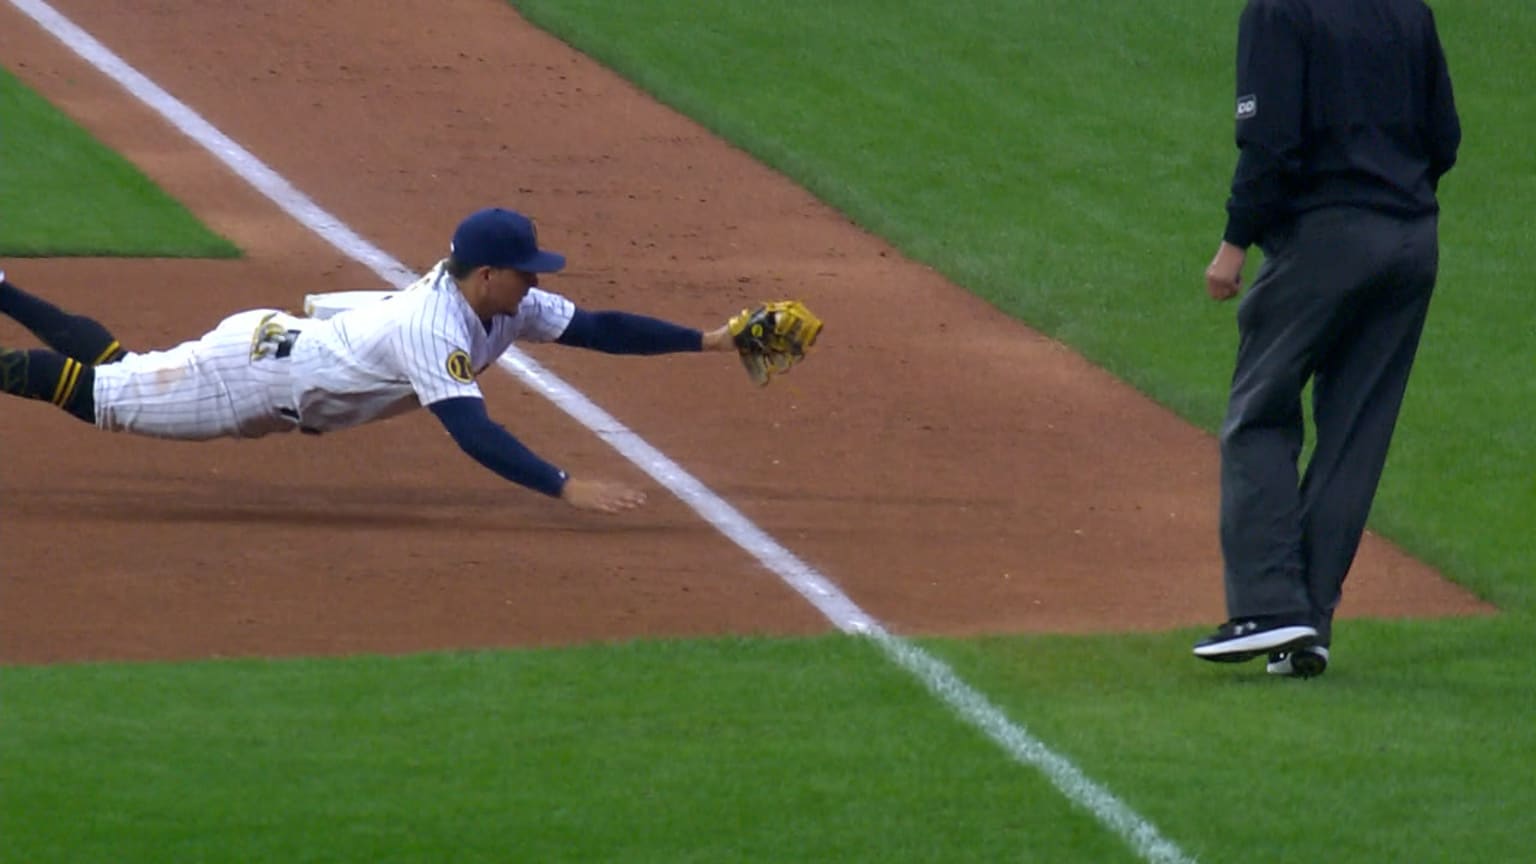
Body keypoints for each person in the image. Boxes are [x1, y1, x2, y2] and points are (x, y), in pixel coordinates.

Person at [0, 207, 745, 514]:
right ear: (487, 274)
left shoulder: (505, 302)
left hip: (271, 346)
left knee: (126, 370)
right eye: (527, 272)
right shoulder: (433, 329)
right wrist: (564, 485)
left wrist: (710, 340)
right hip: (248, 381)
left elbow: (601, 327)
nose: (537, 283)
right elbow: (474, 432)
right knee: (104, 397)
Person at [1193, 0, 1460, 676]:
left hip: (1328, 237)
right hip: (1413, 241)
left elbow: (1270, 145)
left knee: (1259, 412)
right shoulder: (1409, 11)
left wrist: (1233, 245)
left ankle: (1265, 606)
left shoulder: (1279, 10)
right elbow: (1445, 138)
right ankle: (1307, 624)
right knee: (1355, 437)